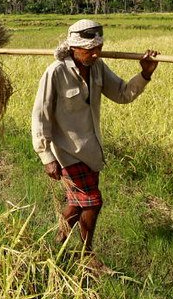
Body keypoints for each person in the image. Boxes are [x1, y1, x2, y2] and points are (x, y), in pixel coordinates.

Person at [31, 19, 159, 272]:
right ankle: (87, 255)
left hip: (91, 149)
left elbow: (122, 94)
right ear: (73, 48)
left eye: (98, 47)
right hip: (65, 151)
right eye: (89, 49)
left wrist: (145, 73)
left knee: (78, 203)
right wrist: (46, 156)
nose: (96, 52)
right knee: (92, 201)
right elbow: (40, 115)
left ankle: (55, 242)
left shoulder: (98, 67)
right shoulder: (55, 72)